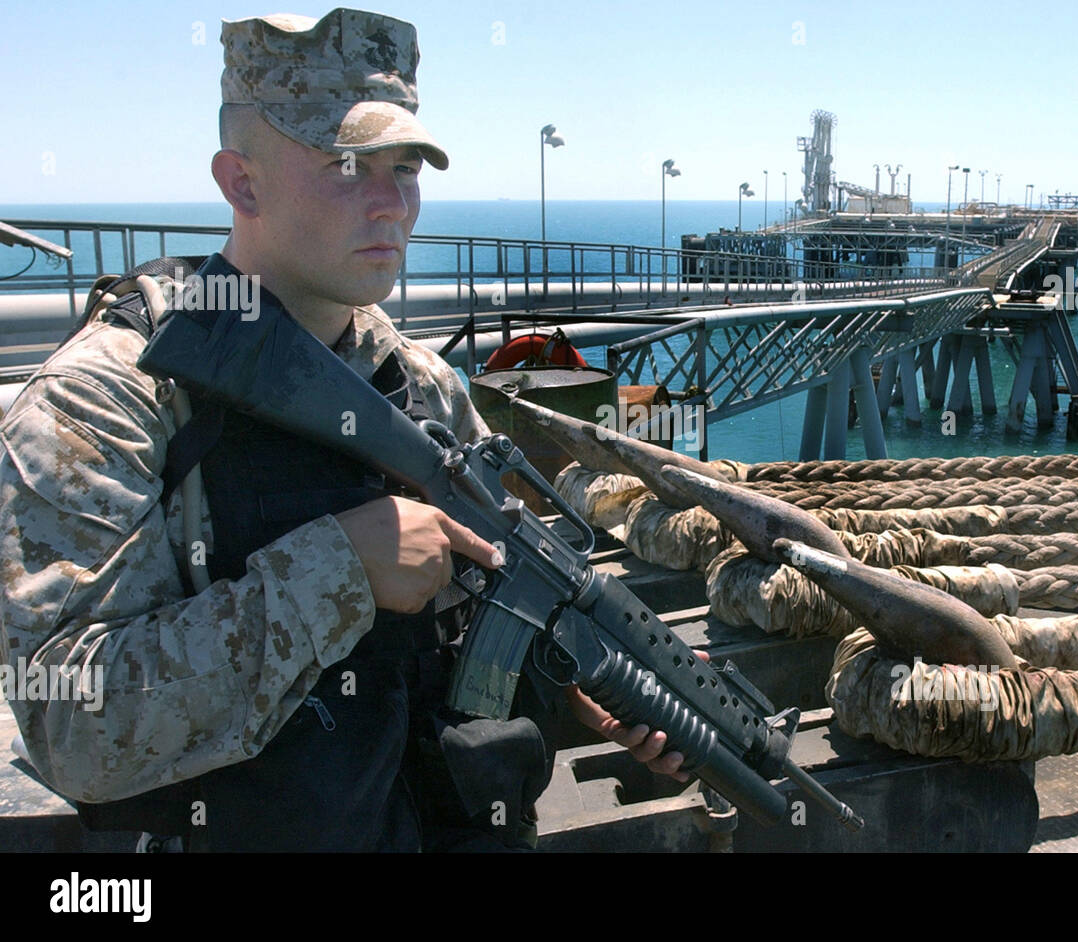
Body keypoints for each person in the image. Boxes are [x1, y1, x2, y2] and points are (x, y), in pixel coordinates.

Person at [0, 7, 689, 852]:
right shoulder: (107, 401)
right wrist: (339, 571)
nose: (391, 205)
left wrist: (567, 678)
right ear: (240, 182)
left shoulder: (425, 390)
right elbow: (71, 727)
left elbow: (472, 635)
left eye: (406, 169)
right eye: (348, 166)